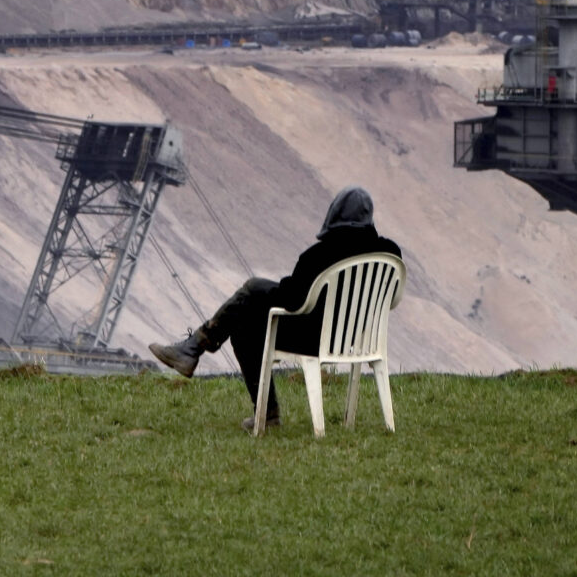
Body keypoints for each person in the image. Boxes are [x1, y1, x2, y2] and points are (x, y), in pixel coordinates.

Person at [148, 185, 401, 431]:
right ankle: (194, 347)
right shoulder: (389, 253)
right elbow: (391, 299)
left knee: (246, 316)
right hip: (358, 340)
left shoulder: (319, 255)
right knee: (253, 296)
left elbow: (291, 301)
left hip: (313, 340)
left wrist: (266, 289)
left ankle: (258, 405)